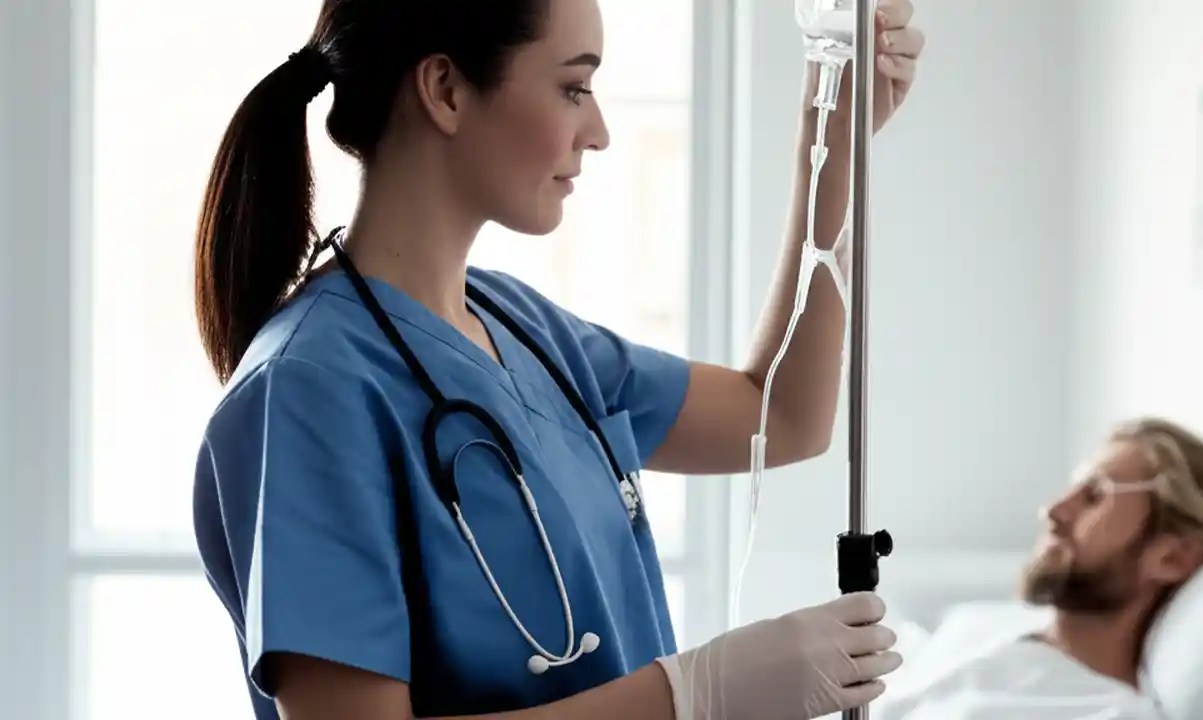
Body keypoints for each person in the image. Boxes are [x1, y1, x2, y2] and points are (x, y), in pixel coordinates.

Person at [189, 1, 926, 718]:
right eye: (574, 87)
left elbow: (783, 415)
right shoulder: (307, 392)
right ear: (445, 90)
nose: (598, 131)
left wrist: (830, 139)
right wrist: (690, 696)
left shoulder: (524, 329)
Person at [877, 417, 1203, 720]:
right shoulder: (976, 631)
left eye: (1095, 495)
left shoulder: (1101, 712)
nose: (1052, 510)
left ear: (1172, 556)